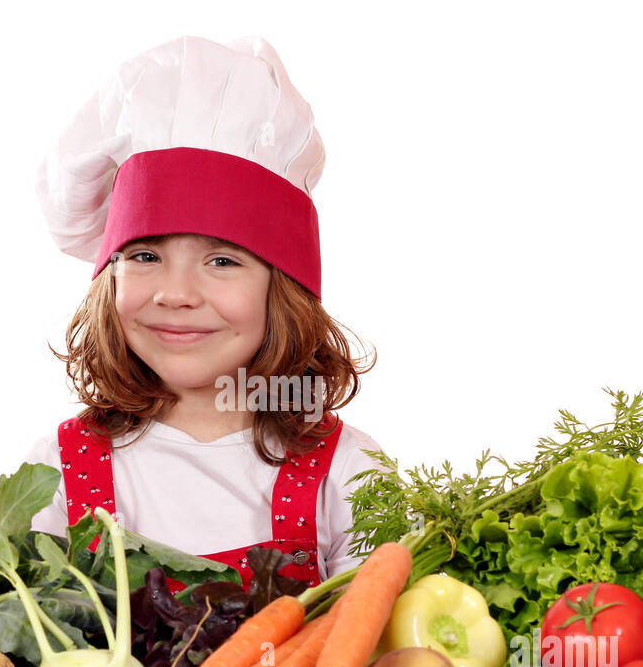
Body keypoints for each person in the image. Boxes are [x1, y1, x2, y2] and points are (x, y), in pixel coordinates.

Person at [23, 35, 385, 586]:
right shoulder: (58, 467)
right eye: (146, 255)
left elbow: (387, 648)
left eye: (221, 260)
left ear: (282, 288)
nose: (176, 293)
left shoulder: (347, 470)